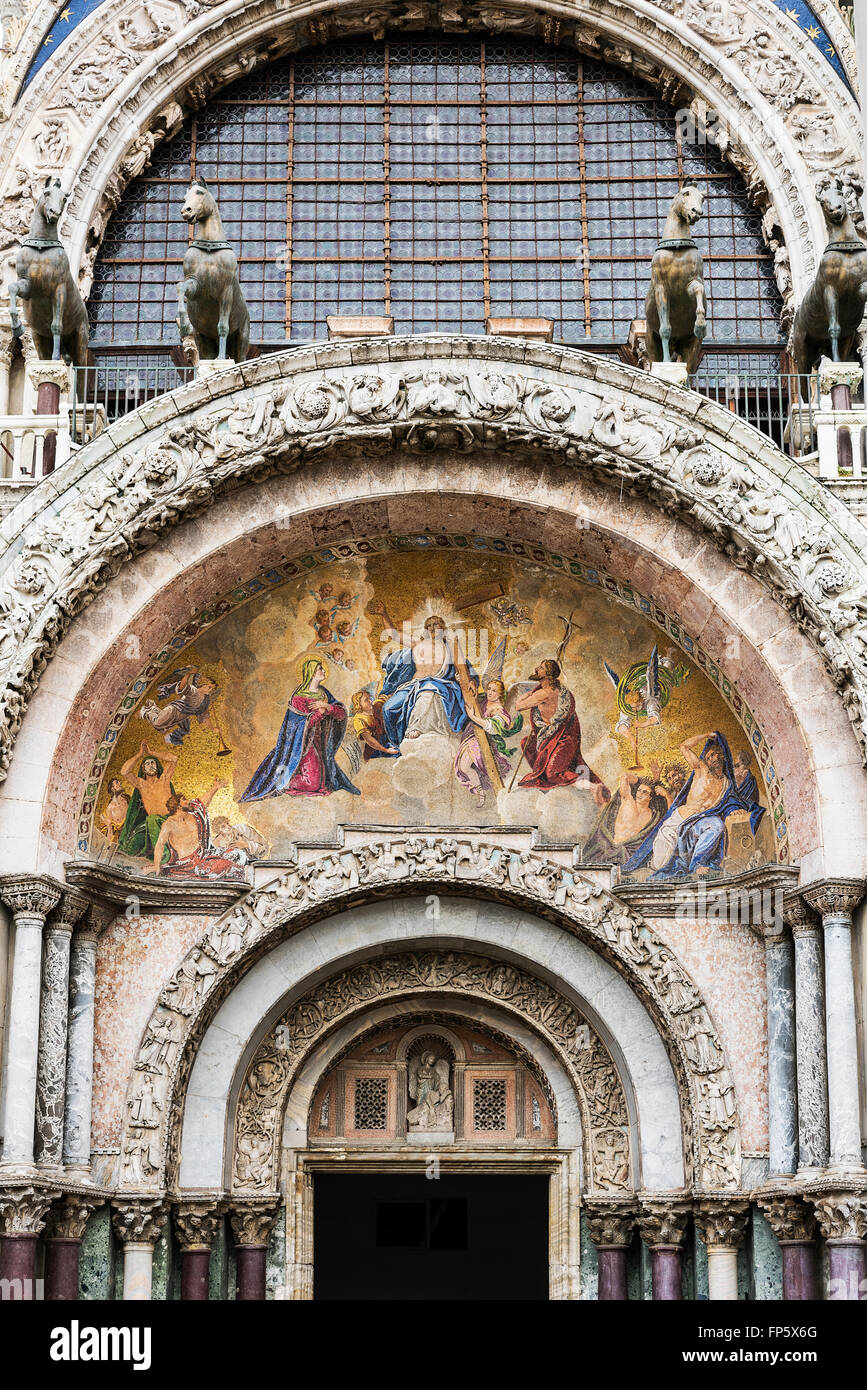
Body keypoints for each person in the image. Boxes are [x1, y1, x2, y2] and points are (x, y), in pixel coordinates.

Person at [625, 731, 757, 878]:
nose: (713, 758)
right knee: (660, 863)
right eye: (709, 756)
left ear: (723, 756)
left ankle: (698, 864)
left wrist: (733, 809)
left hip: (697, 824)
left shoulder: (727, 784)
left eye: (716, 754)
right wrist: (706, 735)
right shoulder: (701, 770)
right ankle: (651, 863)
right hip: (678, 822)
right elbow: (684, 747)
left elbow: (729, 802)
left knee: (716, 825)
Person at [240, 657, 359, 800]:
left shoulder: (324, 694)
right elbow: (300, 725)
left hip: (321, 743)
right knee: (313, 784)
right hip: (302, 745)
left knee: (325, 781)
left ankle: (293, 776)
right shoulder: (298, 698)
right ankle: (284, 781)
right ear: (311, 673)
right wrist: (320, 712)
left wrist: (327, 706)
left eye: (322, 668)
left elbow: (340, 714)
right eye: (319, 669)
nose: (323, 671)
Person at [369, 604, 472, 748]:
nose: (432, 627)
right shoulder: (417, 643)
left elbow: (462, 668)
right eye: (429, 625)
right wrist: (384, 614)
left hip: (436, 683)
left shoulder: (450, 645)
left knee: (426, 695)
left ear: (443, 627)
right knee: (388, 708)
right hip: (414, 684)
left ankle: (414, 728)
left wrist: (467, 682)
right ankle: (396, 744)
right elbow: (393, 634)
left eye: (435, 624)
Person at [514, 660, 600, 791]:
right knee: (526, 744)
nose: (536, 669)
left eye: (541, 668)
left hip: (560, 739)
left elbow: (518, 706)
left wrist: (526, 696)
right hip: (552, 737)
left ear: (548, 674)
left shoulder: (544, 693)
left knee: (553, 773)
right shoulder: (555, 689)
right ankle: (560, 788)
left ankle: (593, 788)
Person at [152, 779, 246, 880]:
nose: (188, 801)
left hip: (203, 853)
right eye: (184, 800)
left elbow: (202, 803)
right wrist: (157, 866)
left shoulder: (193, 814)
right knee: (224, 865)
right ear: (178, 806)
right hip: (188, 863)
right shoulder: (169, 824)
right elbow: (159, 845)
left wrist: (215, 787)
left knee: (238, 854)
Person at [455, 678, 522, 807]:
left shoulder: (499, 710)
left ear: (500, 694)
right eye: (489, 689)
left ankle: (482, 795)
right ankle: (481, 793)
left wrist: (473, 717)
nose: (490, 693)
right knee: (463, 768)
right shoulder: (484, 700)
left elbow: (492, 727)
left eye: (494, 691)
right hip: (471, 737)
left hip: (482, 742)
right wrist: (461, 681)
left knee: (468, 767)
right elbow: (469, 696)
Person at [583, 772, 668, 865]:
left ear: (650, 797)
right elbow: (625, 776)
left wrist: (666, 795)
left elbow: (671, 817)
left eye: (645, 792)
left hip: (631, 856)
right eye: (639, 790)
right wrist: (639, 780)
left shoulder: (653, 815)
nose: (640, 794)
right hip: (612, 850)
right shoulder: (627, 801)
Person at [117, 742, 178, 859]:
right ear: (143, 769)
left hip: (168, 819)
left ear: (157, 766)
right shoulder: (141, 784)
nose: (150, 765)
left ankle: (162, 857)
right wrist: (140, 754)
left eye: (153, 762)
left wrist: (151, 753)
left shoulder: (164, 780)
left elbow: (174, 758)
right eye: (147, 764)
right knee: (132, 843)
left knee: (152, 819)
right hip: (150, 824)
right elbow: (124, 771)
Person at [140, 666, 218, 747]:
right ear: (203, 685)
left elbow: (204, 716)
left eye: (212, 689)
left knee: (185, 729)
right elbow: (182, 686)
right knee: (157, 723)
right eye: (209, 687)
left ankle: (170, 738)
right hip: (174, 710)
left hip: (183, 717)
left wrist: (212, 728)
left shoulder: (205, 700)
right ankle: (147, 710)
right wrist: (188, 674)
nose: (210, 690)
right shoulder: (193, 690)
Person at [350, 689, 399, 759]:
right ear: (359, 704)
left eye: (369, 698)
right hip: (376, 749)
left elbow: (386, 698)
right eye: (366, 700)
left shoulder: (376, 706)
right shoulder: (359, 719)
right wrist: (386, 750)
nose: (370, 701)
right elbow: (369, 740)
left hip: (389, 740)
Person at [100, 777, 130, 847]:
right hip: (122, 838)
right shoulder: (110, 808)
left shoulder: (127, 799)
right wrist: (108, 846)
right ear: (112, 789)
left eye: (119, 782)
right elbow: (110, 830)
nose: (120, 784)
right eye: (117, 782)